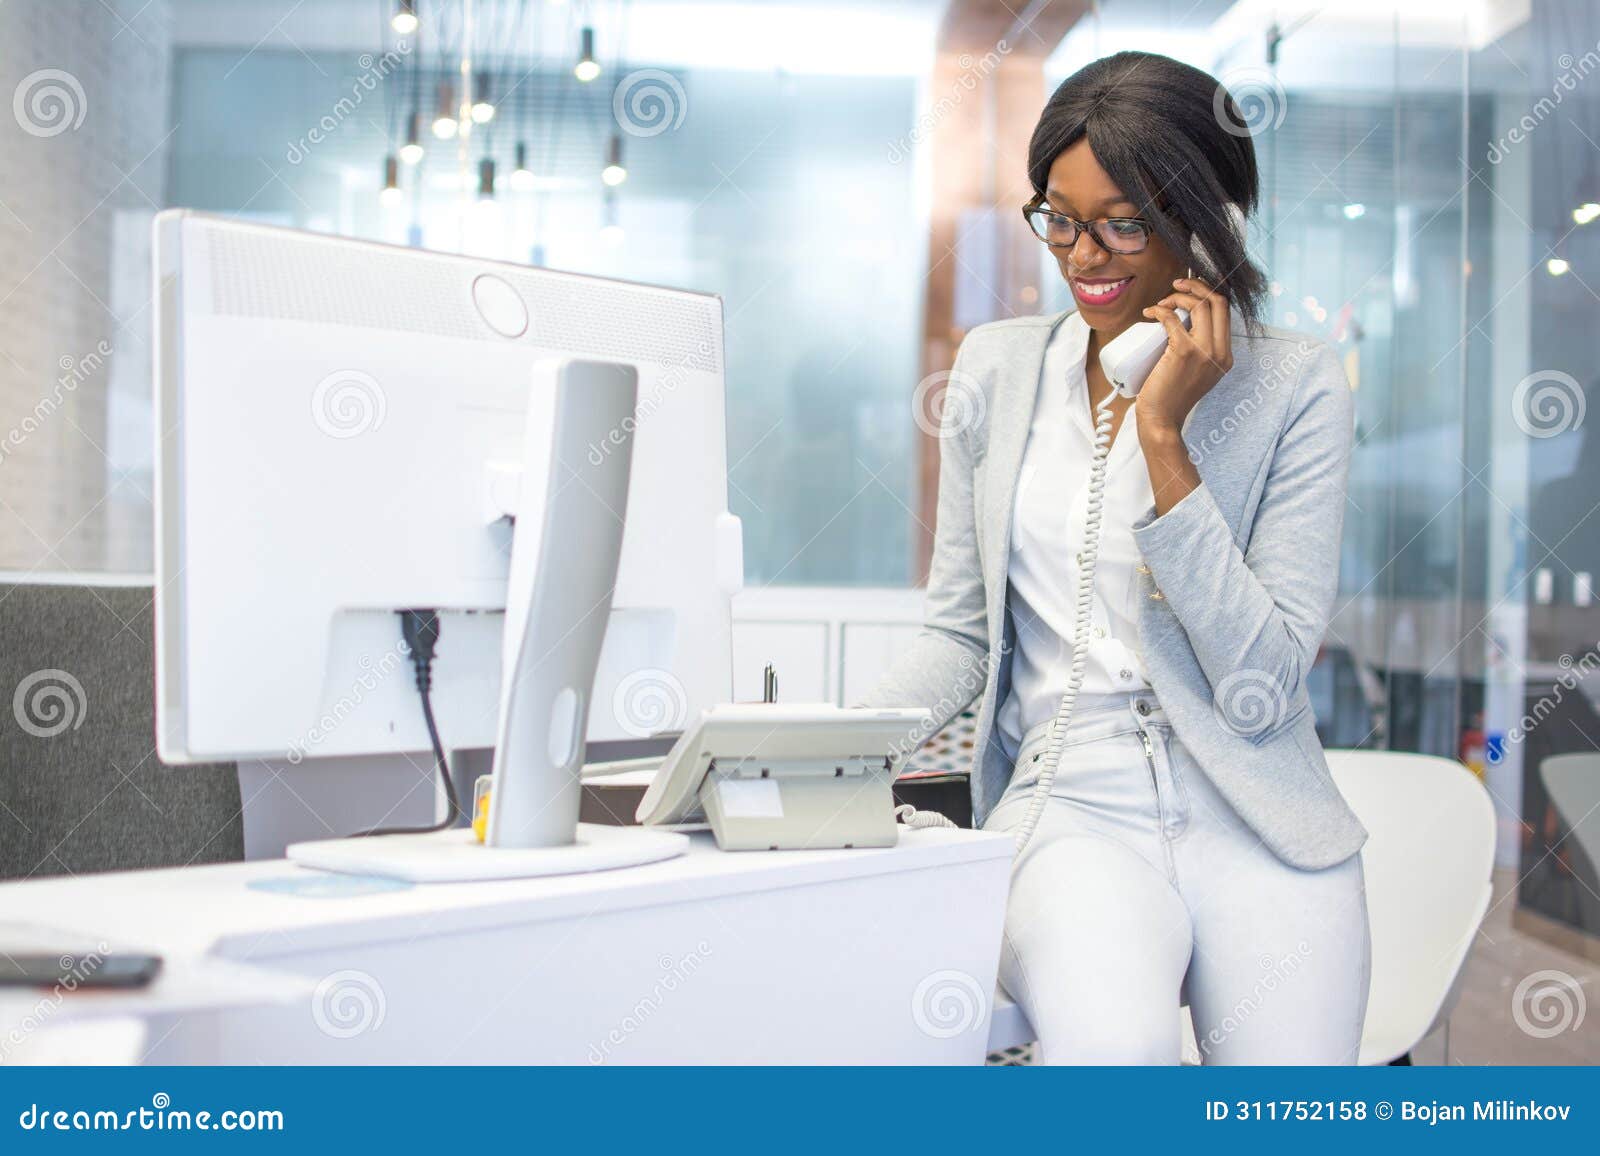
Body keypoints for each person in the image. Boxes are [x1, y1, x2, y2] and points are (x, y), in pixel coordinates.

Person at [863, 51, 1370, 1064]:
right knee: (1114, 1058)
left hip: (1256, 813)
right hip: (1072, 807)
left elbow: (1264, 677)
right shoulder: (997, 369)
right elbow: (959, 633)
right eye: (1058, 215)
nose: (1083, 254)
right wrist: (824, 748)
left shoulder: (1297, 387)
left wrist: (1164, 442)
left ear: (1201, 217)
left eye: (1124, 221)